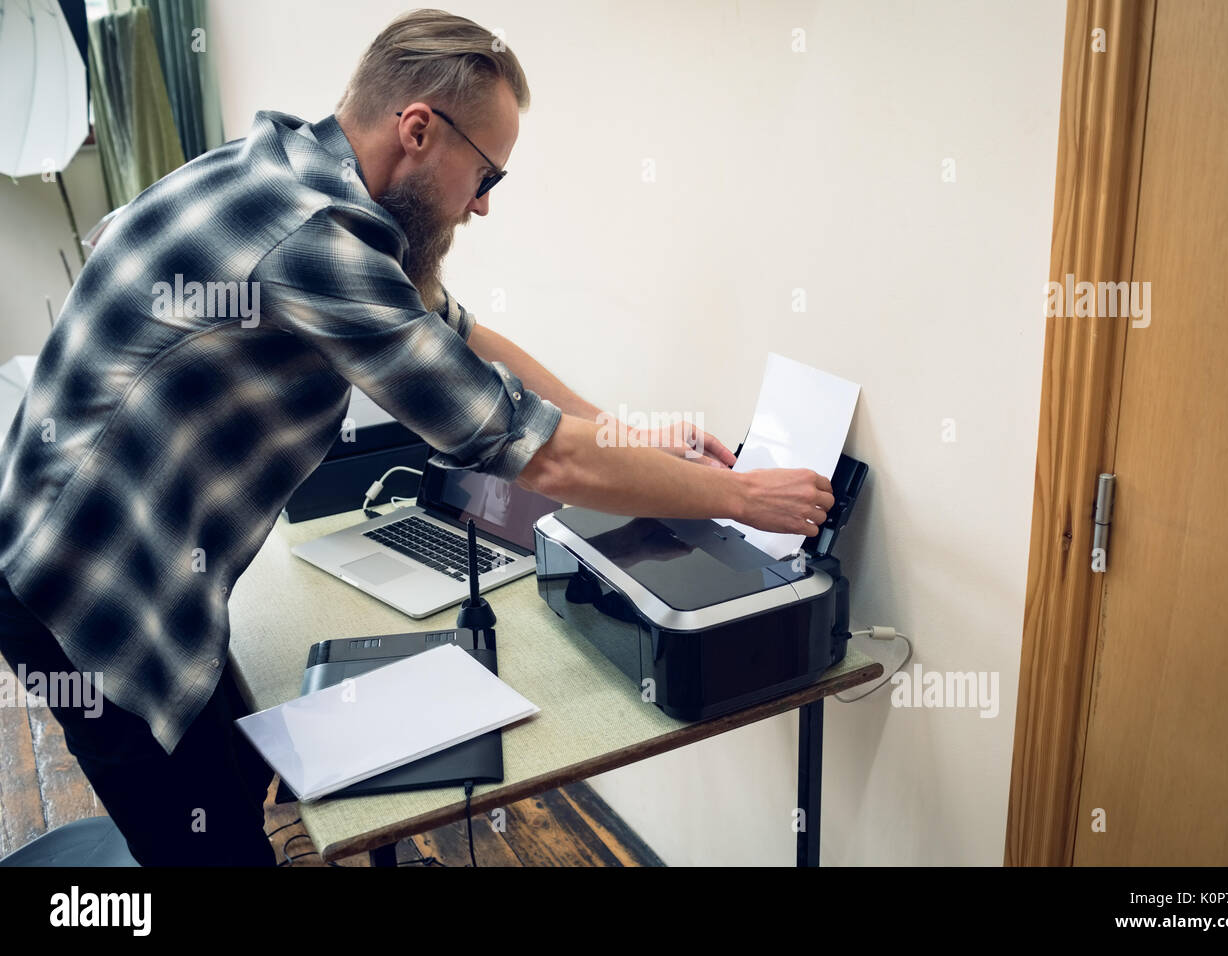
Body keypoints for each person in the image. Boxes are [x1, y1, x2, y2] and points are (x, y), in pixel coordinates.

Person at [0, 9, 832, 866]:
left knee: (231, 786)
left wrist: (632, 434)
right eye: (486, 178)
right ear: (420, 129)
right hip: (81, 580)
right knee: (205, 840)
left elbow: (466, 334)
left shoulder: (292, 161)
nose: (480, 207)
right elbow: (539, 456)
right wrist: (741, 497)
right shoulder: (315, 241)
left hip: (118, 538)